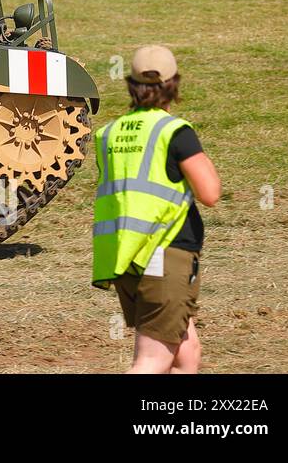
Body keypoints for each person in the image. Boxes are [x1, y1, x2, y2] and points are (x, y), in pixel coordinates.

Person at [93, 45, 221, 374]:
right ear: (173, 83)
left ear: (131, 85)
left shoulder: (108, 134)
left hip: (124, 257)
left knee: (186, 352)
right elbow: (210, 193)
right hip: (164, 255)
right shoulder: (175, 132)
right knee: (152, 360)